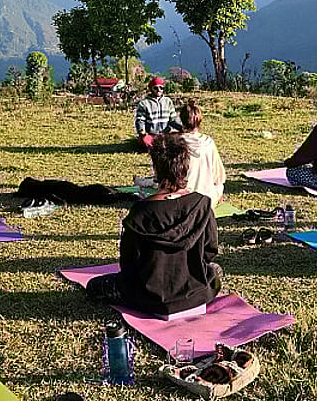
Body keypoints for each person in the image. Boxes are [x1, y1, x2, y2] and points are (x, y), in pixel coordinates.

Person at [87, 134, 221, 314]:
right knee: (213, 272)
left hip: (150, 299)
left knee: (95, 285)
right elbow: (210, 251)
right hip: (195, 295)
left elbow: (129, 265)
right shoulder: (202, 204)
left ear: (156, 168)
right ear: (185, 166)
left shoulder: (141, 212)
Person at [177, 99, 227, 209]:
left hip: (182, 200)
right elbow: (219, 177)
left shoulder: (176, 143)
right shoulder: (208, 143)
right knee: (219, 187)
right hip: (207, 200)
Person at [133, 76, 179, 150]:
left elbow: (173, 120)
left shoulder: (168, 101)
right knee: (145, 141)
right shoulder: (144, 103)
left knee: (181, 138)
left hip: (166, 135)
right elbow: (140, 120)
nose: (159, 90)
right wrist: (142, 132)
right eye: (156, 88)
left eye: (161, 88)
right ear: (151, 89)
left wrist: (183, 128)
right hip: (151, 135)